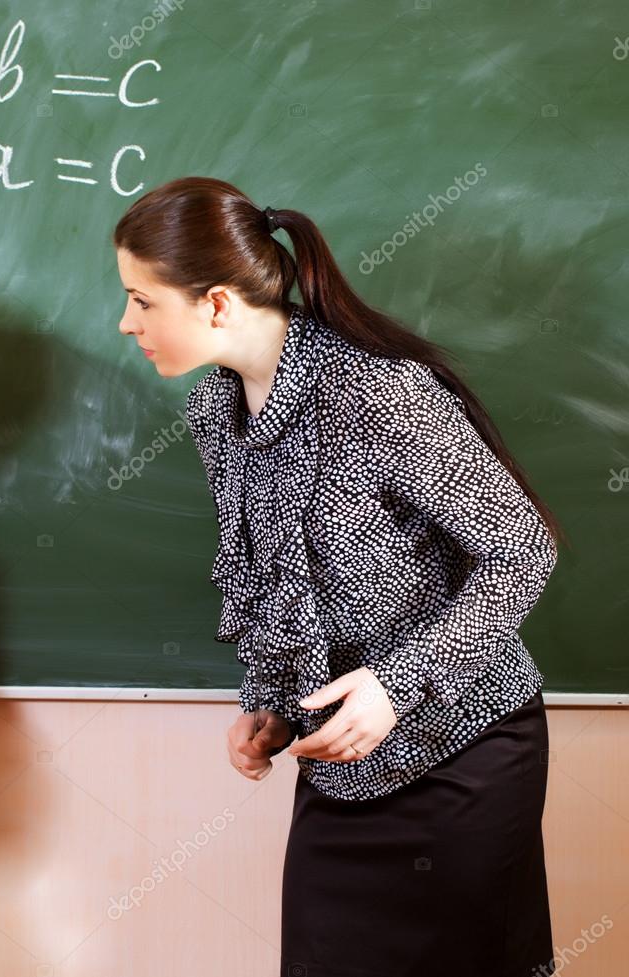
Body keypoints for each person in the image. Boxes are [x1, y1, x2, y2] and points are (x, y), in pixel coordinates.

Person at [113, 177, 564, 977]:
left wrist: (396, 682)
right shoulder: (215, 411)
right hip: (346, 767)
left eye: (142, 300)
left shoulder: (374, 391)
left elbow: (523, 550)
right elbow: (265, 576)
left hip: (467, 751)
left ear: (216, 303)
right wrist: (268, 704)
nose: (127, 322)